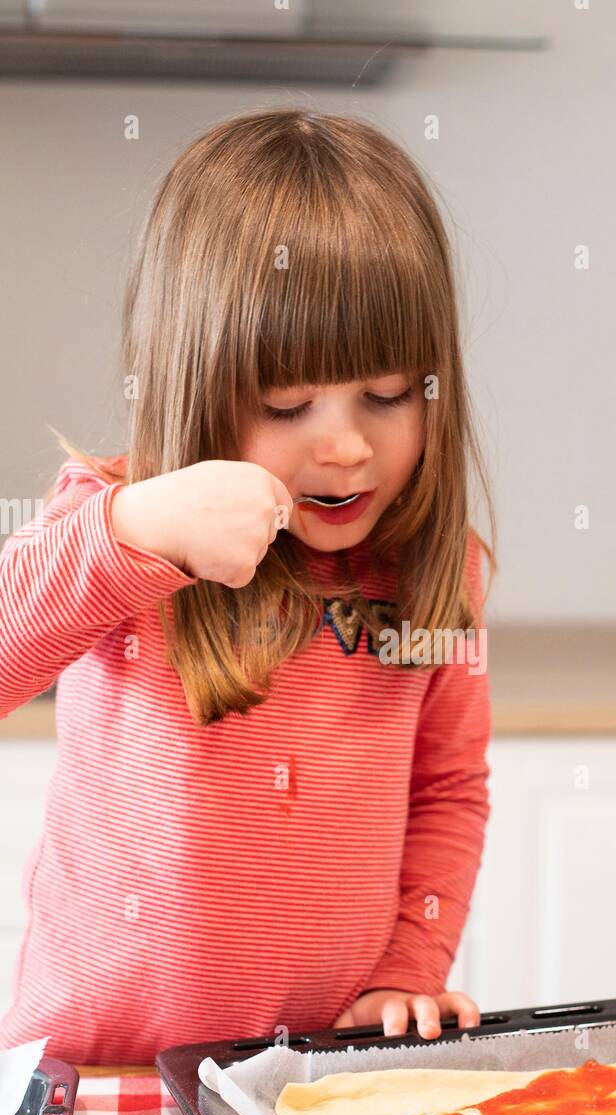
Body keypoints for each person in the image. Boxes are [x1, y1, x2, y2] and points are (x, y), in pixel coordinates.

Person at [0, 107, 495, 1065]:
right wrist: (131, 532)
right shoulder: (119, 521)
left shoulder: (440, 568)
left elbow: (449, 791)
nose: (346, 445)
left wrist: (409, 965)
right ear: (195, 380)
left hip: (308, 1073)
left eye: (387, 396)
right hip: (99, 1070)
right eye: (285, 405)